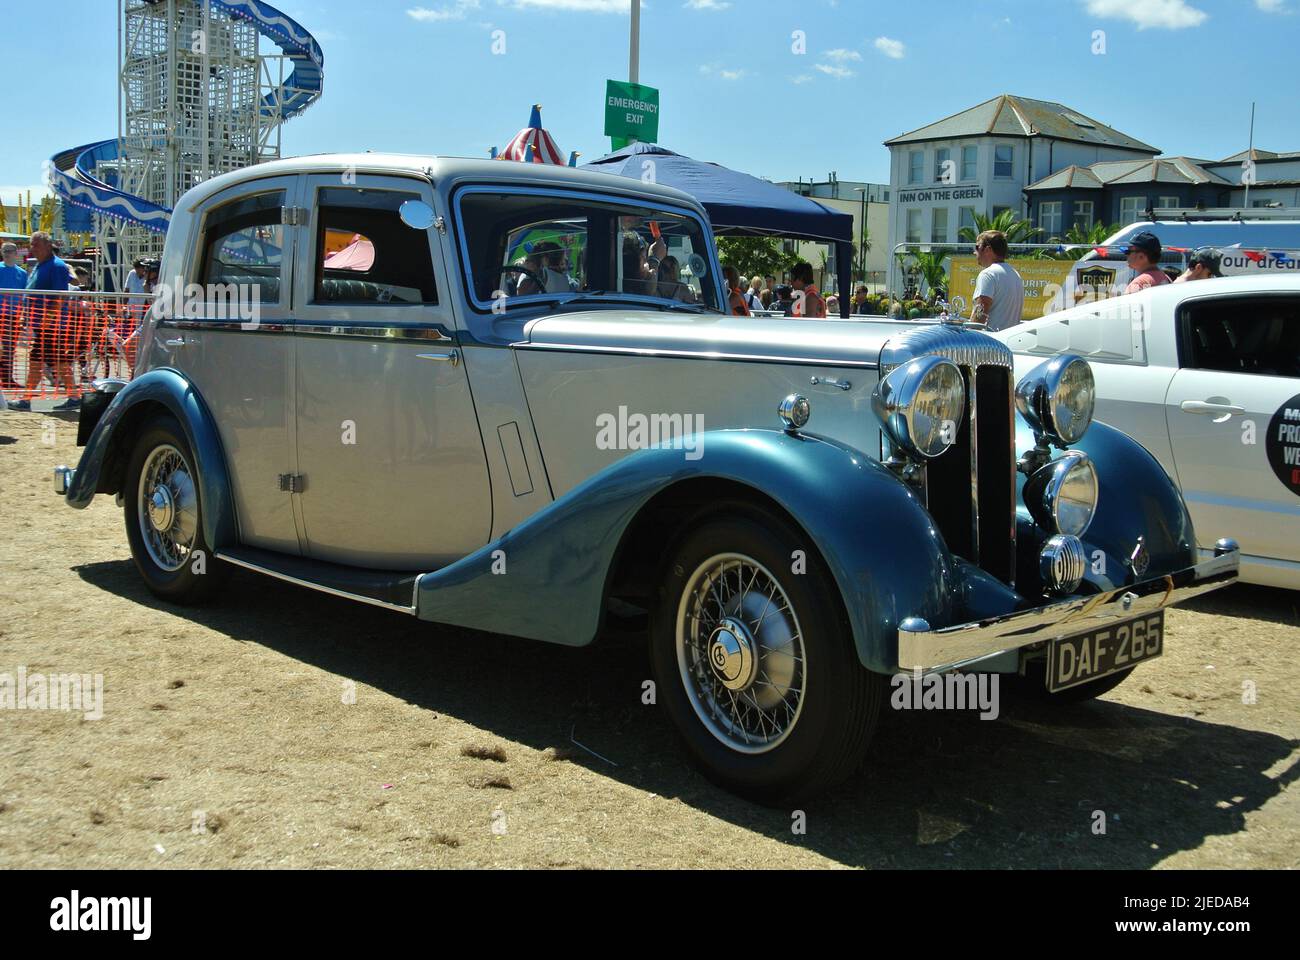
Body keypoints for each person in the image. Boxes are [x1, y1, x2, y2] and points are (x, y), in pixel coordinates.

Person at [9, 231, 76, 411]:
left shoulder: (57, 266)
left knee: (39, 360)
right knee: (57, 361)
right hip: (43, 325)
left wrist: (48, 319)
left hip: (51, 326)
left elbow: (60, 297)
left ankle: (26, 399)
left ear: (48, 245)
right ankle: (74, 396)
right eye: (32, 244)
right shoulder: (41, 265)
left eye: (36, 244)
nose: (33, 249)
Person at [969, 230, 1025, 331]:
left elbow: (980, 314)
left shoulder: (988, 274)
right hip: (1010, 340)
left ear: (988, 249)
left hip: (991, 342)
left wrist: (968, 338)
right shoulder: (1015, 274)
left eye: (977, 247)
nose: (974, 252)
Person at [0, 242, 28, 390]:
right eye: (4, 250)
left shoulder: (22, 273)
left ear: (16, 253)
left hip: (13, 315)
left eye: (10, 250)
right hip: (1, 313)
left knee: (10, 347)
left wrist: (24, 315)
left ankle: (7, 378)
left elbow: (25, 296)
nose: (7, 253)